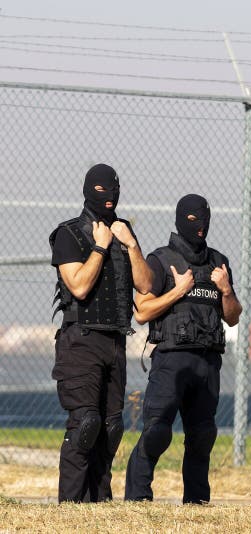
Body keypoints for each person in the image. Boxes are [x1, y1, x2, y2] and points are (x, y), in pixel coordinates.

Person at [124, 193, 242, 505]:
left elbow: (232, 317)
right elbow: (142, 311)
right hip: (171, 359)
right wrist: (178, 291)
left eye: (204, 219)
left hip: (208, 361)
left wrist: (226, 290)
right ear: (179, 220)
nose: (199, 226)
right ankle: (137, 498)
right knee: (157, 430)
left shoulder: (219, 263)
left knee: (203, 435)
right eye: (192, 219)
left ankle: (197, 501)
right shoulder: (160, 260)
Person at [49, 163, 153, 503]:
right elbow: (77, 286)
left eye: (114, 190)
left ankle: (98, 504)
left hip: (115, 340)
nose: (109, 198)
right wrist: (100, 247)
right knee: (85, 424)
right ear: (88, 190)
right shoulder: (68, 233)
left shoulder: (124, 233)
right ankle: (71, 506)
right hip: (80, 340)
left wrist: (131, 245)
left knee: (110, 428)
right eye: (101, 191)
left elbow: (146, 284)